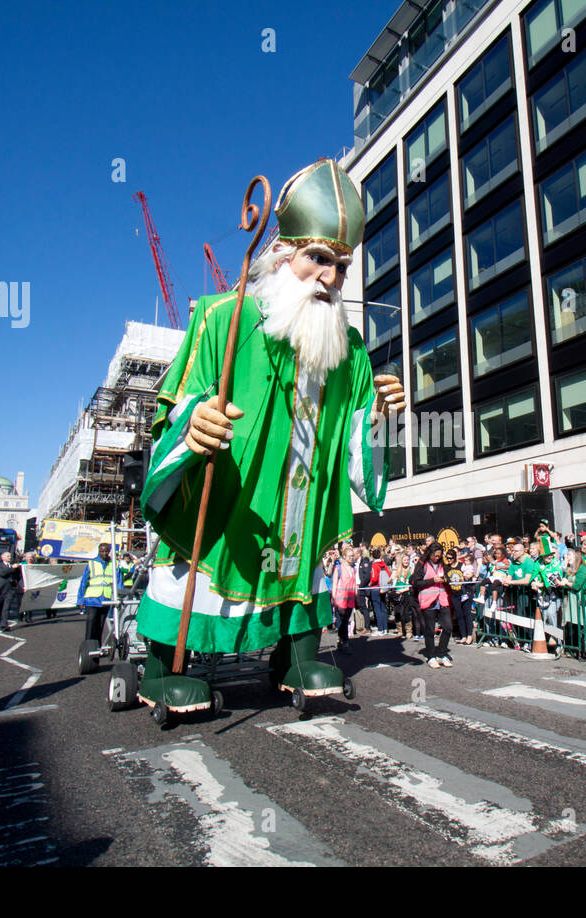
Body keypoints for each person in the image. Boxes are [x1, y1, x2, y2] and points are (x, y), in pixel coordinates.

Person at [136, 158, 407, 709]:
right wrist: (195, 423)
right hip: (230, 495)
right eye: (317, 259)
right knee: (198, 559)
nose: (330, 278)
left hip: (300, 506)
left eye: (342, 266)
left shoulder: (350, 350)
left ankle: (297, 657)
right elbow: (177, 406)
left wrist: (379, 415)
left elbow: (356, 437)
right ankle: (163, 667)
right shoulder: (220, 318)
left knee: (300, 561)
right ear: (282, 256)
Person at [412, 543, 453, 668]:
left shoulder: (442, 564)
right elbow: (415, 582)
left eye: (439, 556)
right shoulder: (422, 564)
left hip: (442, 600)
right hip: (428, 600)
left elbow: (448, 577)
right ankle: (431, 656)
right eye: (435, 555)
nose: (437, 558)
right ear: (430, 553)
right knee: (430, 630)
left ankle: (441, 652)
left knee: (448, 627)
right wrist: (432, 580)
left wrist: (444, 579)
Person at [77, 542, 115, 649]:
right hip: (92, 598)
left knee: (100, 625)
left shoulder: (114, 564)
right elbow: (83, 582)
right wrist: (80, 600)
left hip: (106, 598)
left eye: (106, 551)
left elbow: (118, 581)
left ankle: (97, 647)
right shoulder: (92, 563)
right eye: (102, 551)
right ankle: (88, 647)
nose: (104, 553)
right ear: (99, 551)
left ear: (109, 551)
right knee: (91, 622)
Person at [0, 551, 22, 633]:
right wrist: (12, 568)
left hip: (10, 589)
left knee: (6, 607)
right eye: (8, 556)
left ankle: (4, 625)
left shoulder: (13, 566)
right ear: (3, 558)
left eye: (10, 556)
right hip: (0, 590)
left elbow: (17, 576)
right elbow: (3, 573)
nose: (10, 557)